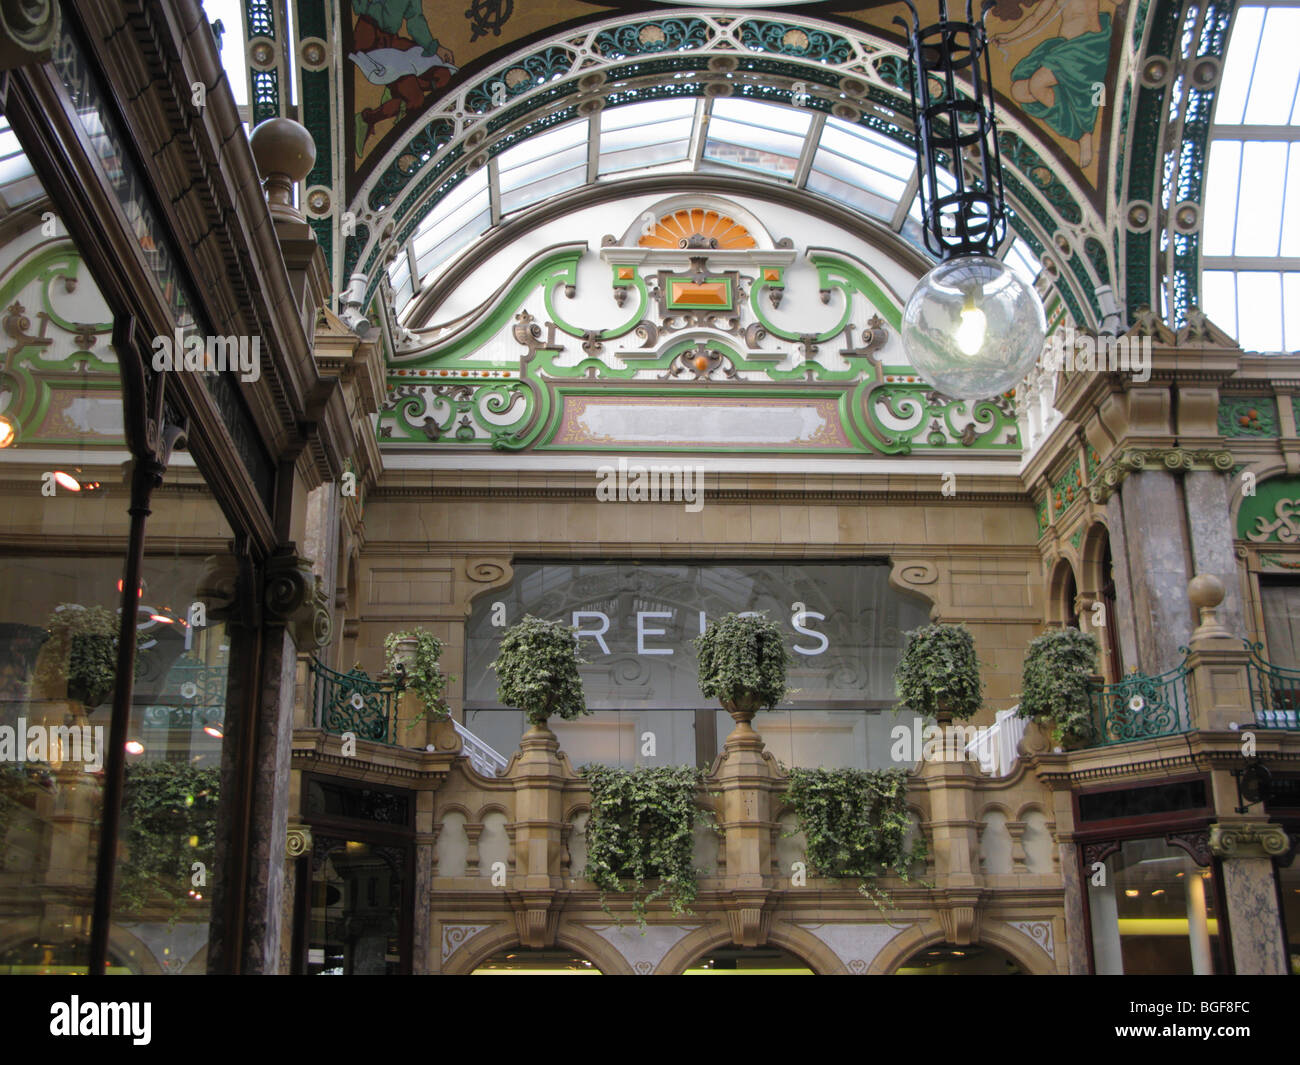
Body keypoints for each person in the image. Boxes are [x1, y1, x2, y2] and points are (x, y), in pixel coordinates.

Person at [991, 0, 1115, 168]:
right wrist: (1009, 36)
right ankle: (1075, 125)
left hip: (1086, 49)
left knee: (1037, 84)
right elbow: (1035, 18)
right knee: (1019, 91)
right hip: (1064, 50)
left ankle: (1081, 134)